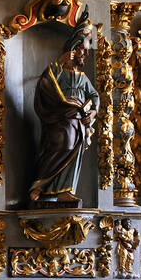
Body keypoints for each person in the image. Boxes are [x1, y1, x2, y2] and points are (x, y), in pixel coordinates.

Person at [29, 18, 99, 206]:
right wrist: (59, 63)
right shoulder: (58, 70)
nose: (85, 53)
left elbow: (94, 97)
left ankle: (64, 191)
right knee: (60, 148)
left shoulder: (83, 78)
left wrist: (92, 113)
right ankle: (40, 185)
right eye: (82, 49)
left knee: (74, 153)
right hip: (59, 119)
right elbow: (45, 84)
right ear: (73, 49)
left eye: (86, 50)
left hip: (78, 122)